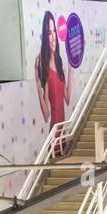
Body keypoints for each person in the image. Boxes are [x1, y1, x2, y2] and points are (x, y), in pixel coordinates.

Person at [34, 11, 71, 155]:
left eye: (54, 31)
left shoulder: (59, 62)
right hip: (55, 132)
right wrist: (37, 83)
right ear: (45, 37)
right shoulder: (46, 71)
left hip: (64, 131)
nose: (53, 36)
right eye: (49, 32)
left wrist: (70, 71)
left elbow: (67, 100)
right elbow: (46, 114)